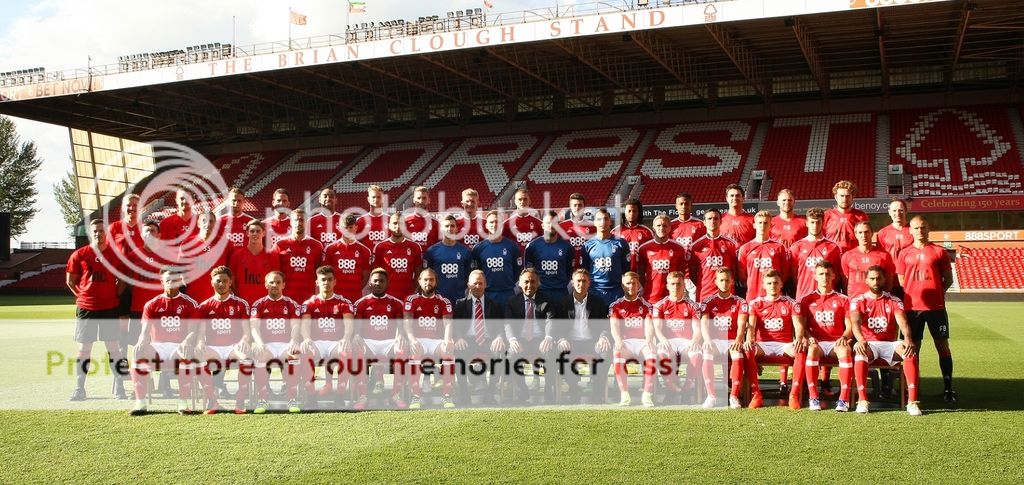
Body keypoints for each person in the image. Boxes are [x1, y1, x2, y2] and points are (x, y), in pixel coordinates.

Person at [896, 215, 956, 403]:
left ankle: (948, 388)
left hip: (936, 308)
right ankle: (913, 387)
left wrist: (937, 293)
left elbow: (949, 279)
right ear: (910, 231)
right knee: (913, 348)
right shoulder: (904, 253)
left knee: (942, 346)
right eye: (916, 228)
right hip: (912, 308)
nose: (919, 231)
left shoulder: (939, 252)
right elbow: (901, 280)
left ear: (928, 229)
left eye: (923, 227)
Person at [67, 219, 128, 402]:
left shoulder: (115, 256)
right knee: (84, 349)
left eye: (101, 231)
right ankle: (80, 388)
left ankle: (119, 387)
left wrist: (113, 295)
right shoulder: (80, 254)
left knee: (113, 348)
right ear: (90, 233)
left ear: (106, 233)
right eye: (94, 231)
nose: (98, 234)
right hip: (87, 309)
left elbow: (122, 281)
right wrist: (83, 297)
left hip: (109, 307)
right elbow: (71, 281)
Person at [850, 266, 921, 415]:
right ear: (866, 280)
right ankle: (862, 400)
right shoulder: (858, 301)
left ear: (884, 279)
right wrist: (861, 340)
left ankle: (912, 402)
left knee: (909, 351)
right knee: (860, 351)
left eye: (878, 278)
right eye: (872, 278)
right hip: (869, 343)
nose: (875, 281)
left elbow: (903, 322)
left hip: (890, 344)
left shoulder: (894, 300)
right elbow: (855, 323)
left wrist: (907, 339)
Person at [128, 270, 200, 415]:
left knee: (186, 355)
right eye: (167, 280)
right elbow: (145, 332)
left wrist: (186, 342)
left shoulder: (190, 303)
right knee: (138, 354)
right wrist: (141, 342)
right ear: (162, 282)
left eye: (174, 280)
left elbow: (193, 331)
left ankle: (183, 403)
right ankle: (140, 403)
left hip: (179, 346)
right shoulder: (152, 304)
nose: (170, 283)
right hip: (157, 347)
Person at [193, 266, 253, 414]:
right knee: (197, 356)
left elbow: (247, 332)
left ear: (230, 282)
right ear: (212, 282)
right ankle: (213, 401)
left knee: (246, 357)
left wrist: (244, 341)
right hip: (213, 348)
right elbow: (201, 333)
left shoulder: (241, 304)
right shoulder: (205, 306)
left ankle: (240, 401)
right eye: (218, 281)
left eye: (225, 281)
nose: (222, 284)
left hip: (233, 347)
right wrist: (200, 342)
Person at [746, 270, 807, 410]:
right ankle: (756, 394)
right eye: (769, 283)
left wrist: (798, 338)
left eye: (775, 283)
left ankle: (793, 395)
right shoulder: (756, 303)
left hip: (784, 344)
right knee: (747, 349)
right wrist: (750, 339)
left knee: (800, 350)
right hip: (763, 344)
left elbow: (798, 324)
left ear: (781, 285)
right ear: (764, 285)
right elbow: (751, 325)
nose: (772, 286)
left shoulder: (791, 303)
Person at [352, 269, 409, 410]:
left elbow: (401, 325)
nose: (378, 283)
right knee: (358, 351)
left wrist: (401, 334)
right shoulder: (361, 303)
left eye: (381, 281)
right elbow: (357, 326)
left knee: (401, 351)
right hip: (368, 342)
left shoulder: (396, 303)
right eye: (375, 281)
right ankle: (363, 396)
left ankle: (396, 395)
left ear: (387, 283)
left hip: (389, 342)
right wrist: (357, 335)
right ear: (370, 283)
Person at [800, 261, 853, 412]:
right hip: (817, 342)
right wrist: (808, 336)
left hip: (835, 342)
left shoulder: (843, 299)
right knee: (812, 349)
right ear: (815, 276)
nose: (825, 277)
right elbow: (802, 326)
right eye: (821, 274)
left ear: (834, 276)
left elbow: (849, 326)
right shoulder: (807, 299)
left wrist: (843, 337)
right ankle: (813, 397)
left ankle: (843, 399)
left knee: (844, 350)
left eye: (828, 274)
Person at [298, 266, 355, 408]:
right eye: (323, 280)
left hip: (335, 343)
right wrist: (306, 338)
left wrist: (346, 338)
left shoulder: (344, 303)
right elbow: (305, 325)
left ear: (335, 281)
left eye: (330, 279)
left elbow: (349, 324)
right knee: (305, 352)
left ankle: (340, 396)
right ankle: (311, 397)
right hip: (316, 343)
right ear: (317, 282)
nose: (326, 283)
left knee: (346, 352)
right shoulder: (309, 303)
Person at [248, 271, 303, 414]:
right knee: (259, 354)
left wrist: (293, 341)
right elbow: (254, 327)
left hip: (285, 344)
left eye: (278, 282)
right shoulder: (258, 304)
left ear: (283, 285)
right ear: (266, 284)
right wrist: (259, 343)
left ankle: (291, 399)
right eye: (271, 282)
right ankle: (263, 399)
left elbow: (296, 326)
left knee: (295, 354)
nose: (275, 285)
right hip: (267, 345)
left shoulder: (291, 304)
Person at [555, 269, 611, 404]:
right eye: (578, 281)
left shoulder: (597, 302)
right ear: (572, 283)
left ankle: (597, 392)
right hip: (571, 342)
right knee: (562, 354)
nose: (581, 284)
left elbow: (605, 324)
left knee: (606, 352)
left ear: (589, 283)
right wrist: (561, 339)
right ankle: (574, 389)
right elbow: (556, 326)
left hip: (592, 342)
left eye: (584, 281)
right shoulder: (563, 303)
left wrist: (603, 337)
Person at [452, 270, 507, 406]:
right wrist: (458, 338)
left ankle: (490, 393)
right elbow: (455, 325)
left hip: (488, 341)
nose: (478, 286)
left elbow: (501, 326)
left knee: (500, 354)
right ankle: (464, 393)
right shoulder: (460, 304)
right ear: (469, 285)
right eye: (475, 283)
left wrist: (499, 338)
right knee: (459, 354)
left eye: (480, 283)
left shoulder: (494, 305)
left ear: (485, 284)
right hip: (467, 341)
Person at [699, 267, 751, 409]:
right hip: (715, 340)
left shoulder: (741, 302)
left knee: (738, 354)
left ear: (732, 282)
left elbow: (742, 324)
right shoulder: (708, 301)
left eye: (727, 280)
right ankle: (711, 396)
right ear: (715, 281)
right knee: (707, 352)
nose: (724, 283)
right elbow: (704, 322)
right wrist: (707, 340)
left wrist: (739, 339)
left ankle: (734, 396)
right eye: (721, 280)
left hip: (731, 340)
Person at [403, 269, 456, 409]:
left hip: (436, 341)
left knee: (449, 353)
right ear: (419, 281)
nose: (428, 282)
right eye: (425, 279)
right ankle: (416, 397)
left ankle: (447, 395)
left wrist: (447, 340)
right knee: (415, 354)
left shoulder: (444, 301)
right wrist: (412, 339)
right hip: (418, 340)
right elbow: (407, 321)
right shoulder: (411, 300)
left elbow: (448, 323)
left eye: (431, 279)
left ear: (436, 282)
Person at [504, 268, 558, 404]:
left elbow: (550, 321)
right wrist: (513, 340)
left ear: (538, 283)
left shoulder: (547, 300)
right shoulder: (512, 301)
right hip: (520, 340)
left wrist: (548, 338)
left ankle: (548, 389)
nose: (530, 285)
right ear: (520, 284)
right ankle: (523, 390)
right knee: (510, 355)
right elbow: (507, 324)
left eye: (533, 281)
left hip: (540, 340)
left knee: (551, 352)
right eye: (526, 282)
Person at [651, 271, 701, 405]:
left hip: (686, 341)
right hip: (668, 341)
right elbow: (657, 328)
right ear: (667, 285)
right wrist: (662, 340)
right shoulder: (659, 305)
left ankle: (686, 390)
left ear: (684, 285)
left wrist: (694, 341)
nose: (675, 287)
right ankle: (671, 389)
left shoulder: (692, 305)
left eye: (679, 284)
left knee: (697, 353)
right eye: (672, 284)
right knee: (661, 352)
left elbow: (697, 328)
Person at [608, 272, 657, 407]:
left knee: (652, 353)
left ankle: (647, 394)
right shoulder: (616, 305)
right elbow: (614, 326)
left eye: (634, 283)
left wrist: (649, 339)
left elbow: (648, 325)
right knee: (617, 354)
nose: (631, 286)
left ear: (638, 285)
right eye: (628, 283)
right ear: (623, 286)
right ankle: (624, 394)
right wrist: (618, 340)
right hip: (625, 342)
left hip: (641, 342)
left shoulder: (647, 305)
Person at [638, 213, 694, 304]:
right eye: (658, 225)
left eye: (665, 225)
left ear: (670, 228)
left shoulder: (678, 248)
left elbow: (681, 273)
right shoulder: (644, 248)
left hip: (672, 297)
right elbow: (640, 273)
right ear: (653, 228)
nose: (661, 228)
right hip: (650, 297)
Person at [789, 208, 844, 300]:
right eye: (812, 222)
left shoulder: (833, 247)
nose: (815, 226)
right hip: (803, 296)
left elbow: (837, 275)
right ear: (806, 223)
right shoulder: (796, 246)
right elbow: (794, 274)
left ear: (823, 223)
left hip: (826, 298)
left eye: (818, 222)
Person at [272, 208, 324, 303]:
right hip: (286, 299)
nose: (299, 223)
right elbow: (276, 273)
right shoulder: (280, 245)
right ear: (291, 222)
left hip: (309, 300)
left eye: (302, 220)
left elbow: (319, 273)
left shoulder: (317, 246)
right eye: (296, 220)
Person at [737, 210, 791, 301]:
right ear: (754, 225)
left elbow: (784, 274)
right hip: (753, 296)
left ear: (770, 226)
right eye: (760, 223)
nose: (762, 225)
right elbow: (742, 275)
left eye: (766, 223)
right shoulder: (745, 248)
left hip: (774, 298)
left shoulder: (779, 247)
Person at [581, 208, 631, 306]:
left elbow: (626, 270)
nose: (602, 222)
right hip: (594, 291)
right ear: (594, 222)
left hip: (616, 291)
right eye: (599, 219)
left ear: (610, 222)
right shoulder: (587, 245)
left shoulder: (621, 243)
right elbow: (585, 270)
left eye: (605, 219)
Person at [471, 210, 521, 306]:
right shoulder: (478, 248)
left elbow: (518, 270)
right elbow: (475, 272)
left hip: (508, 293)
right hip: (487, 294)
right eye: (491, 222)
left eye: (497, 222)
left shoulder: (512, 246)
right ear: (486, 225)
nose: (494, 225)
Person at [524, 210, 575, 304]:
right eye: (548, 223)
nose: (551, 225)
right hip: (540, 292)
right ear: (543, 225)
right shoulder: (532, 246)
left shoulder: (567, 247)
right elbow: (529, 271)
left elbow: (569, 270)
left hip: (561, 292)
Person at [180, 211, 228, 304]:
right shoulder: (187, 244)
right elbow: (180, 270)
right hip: (193, 297)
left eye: (211, 221)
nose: (207, 224)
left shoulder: (224, 244)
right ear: (198, 223)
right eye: (204, 220)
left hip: (218, 299)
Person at [372, 212, 424, 300]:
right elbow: (374, 274)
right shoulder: (380, 247)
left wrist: (413, 291)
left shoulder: (415, 247)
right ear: (389, 225)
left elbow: (418, 273)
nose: (398, 226)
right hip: (386, 296)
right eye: (395, 223)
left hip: (408, 296)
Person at [690, 209, 739, 301]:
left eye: (716, 218)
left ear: (720, 221)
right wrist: (703, 284)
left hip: (727, 294)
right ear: (704, 222)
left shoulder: (731, 244)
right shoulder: (696, 246)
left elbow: (735, 270)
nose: (712, 221)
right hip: (704, 294)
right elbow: (693, 273)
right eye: (709, 218)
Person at [323, 214, 374, 303]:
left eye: (350, 227)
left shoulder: (365, 250)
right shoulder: (330, 249)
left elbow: (366, 275)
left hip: (355, 297)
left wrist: (356, 288)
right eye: (345, 228)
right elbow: (325, 273)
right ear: (339, 228)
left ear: (356, 228)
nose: (348, 230)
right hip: (334, 296)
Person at [228, 220, 280, 305]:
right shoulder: (237, 255)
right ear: (247, 233)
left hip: (265, 305)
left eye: (258, 231)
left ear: (263, 233)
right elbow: (231, 281)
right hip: (242, 305)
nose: (255, 234)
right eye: (252, 231)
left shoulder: (272, 255)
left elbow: (277, 281)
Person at [424, 215, 472, 305]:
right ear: (441, 229)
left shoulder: (465, 251)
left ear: (457, 229)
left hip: (460, 299)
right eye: (446, 226)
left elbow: (468, 275)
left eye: (452, 226)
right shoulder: (431, 251)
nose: (449, 229)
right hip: (438, 299)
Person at [842, 221, 896, 297]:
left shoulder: (884, 255)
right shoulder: (847, 255)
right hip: (855, 300)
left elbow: (889, 281)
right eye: (860, 233)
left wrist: (882, 297)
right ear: (856, 235)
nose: (863, 235)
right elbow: (845, 281)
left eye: (866, 232)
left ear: (872, 233)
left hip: (877, 300)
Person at [824, 180, 869, 253]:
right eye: (841, 196)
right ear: (836, 197)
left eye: (847, 196)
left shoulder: (861, 216)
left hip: (853, 257)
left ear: (852, 197)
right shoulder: (826, 215)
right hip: (832, 256)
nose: (844, 199)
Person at [613, 198, 654, 273]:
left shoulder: (647, 232)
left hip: (640, 273)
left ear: (639, 212)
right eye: (629, 211)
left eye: (634, 211)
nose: (631, 213)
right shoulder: (614, 232)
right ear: (624, 212)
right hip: (621, 274)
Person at [876, 199, 913, 276]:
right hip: (890, 275)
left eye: (900, 210)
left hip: (909, 274)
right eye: (894, 211)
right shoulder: (882, 233)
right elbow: (879, 256)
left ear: (906, 211)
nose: (897, 213)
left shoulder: (914, 231)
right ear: (889, 212)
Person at [218, 187, 256, 257]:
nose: (236, 204)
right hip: (226, 259)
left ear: (244, 202)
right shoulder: (219, 221)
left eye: (239, 201)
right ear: (228, 201)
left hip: (245, 259)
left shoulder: (252, 222)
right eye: (233, 200)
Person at [503, 187, 543, 257]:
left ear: (529, 201)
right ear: (515, 202)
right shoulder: (506, 224)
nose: (522, 202)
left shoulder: (539, 223)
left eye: (525, 199)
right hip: (515, 263)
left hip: (533, 263)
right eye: (519, 199)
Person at [560, 192, 595, 269]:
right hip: (567, 268)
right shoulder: (562, 226)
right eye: (574, 205)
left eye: (580, 205)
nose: (577, 208)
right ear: (570, 207)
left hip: (587, 267)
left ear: (584, 207)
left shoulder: (593, 226)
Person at [403, 186, 440, 251]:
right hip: (411, 260)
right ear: (414, 200)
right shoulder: (405, 221)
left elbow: (439, 246)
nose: (421, 201)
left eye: (424, 198)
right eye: (418, 198)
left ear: (429, 200)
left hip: (429, 260)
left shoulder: (436, 223)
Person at [356, 184, 391, 249]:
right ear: (368, 199)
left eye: (378, 197)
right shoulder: (361, 220)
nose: (376, 199)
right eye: (373, 197)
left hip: (385, 257)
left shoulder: (390, 220)